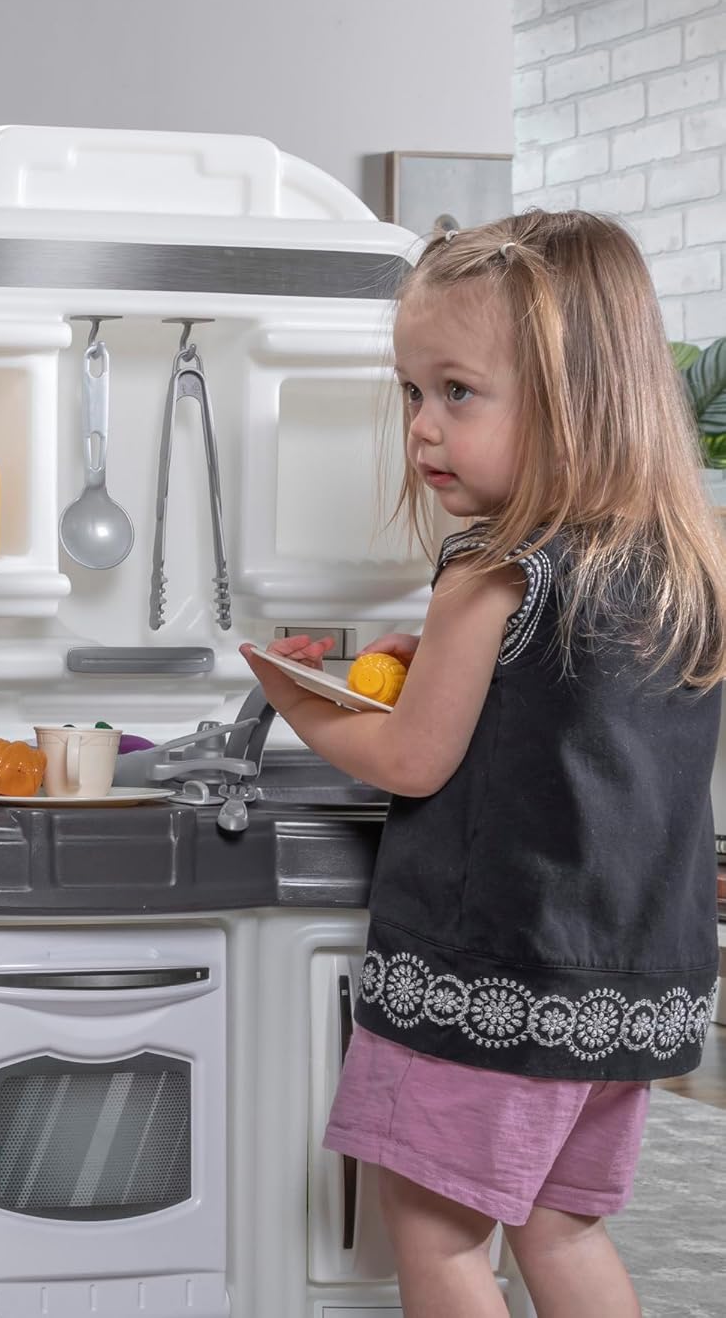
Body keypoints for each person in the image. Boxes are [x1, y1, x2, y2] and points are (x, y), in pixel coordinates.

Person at [243, 210, 724, 1318]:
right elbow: (572, 727)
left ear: (572, 398)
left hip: (498, 972)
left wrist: (294, 699)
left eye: (458, 392)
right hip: (634, 984)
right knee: (561, 1227)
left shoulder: (496, 568)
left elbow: (411, 759)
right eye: (412, 393)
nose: (422, 427)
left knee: (442, 1235)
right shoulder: (683, 565)